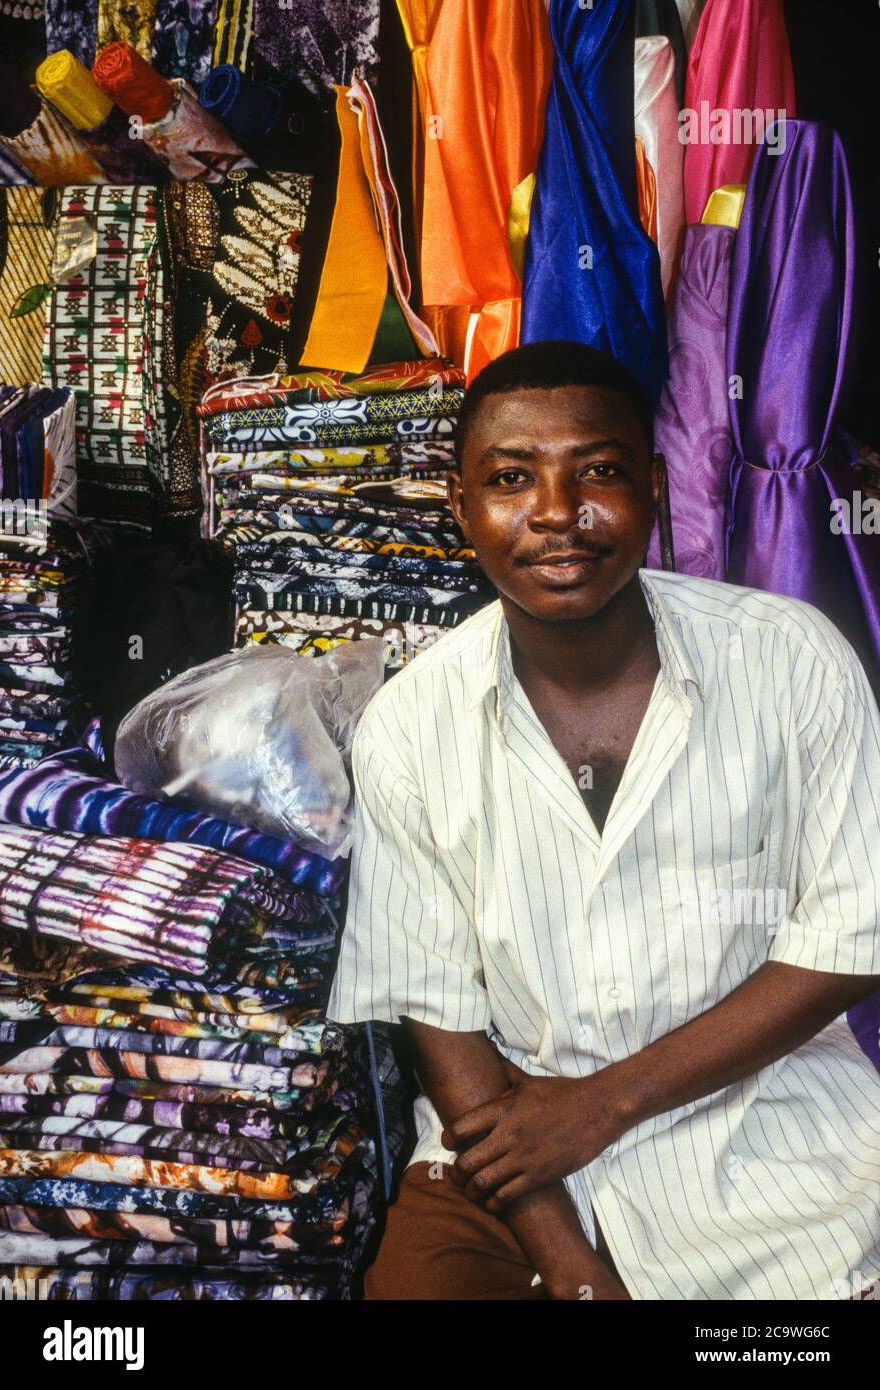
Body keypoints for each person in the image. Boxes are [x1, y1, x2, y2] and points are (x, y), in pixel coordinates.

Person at [327, 341, 880, 1301]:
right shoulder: (408, 729)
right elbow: (441, 1018)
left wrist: (604, 1104)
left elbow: (851, 938)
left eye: (599, 471)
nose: (554, 511)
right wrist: (572, 1269)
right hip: (508, 1148)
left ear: (655, 489)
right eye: (509, 478)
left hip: (765, 1120)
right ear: (460, 508)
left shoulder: (791, 662)